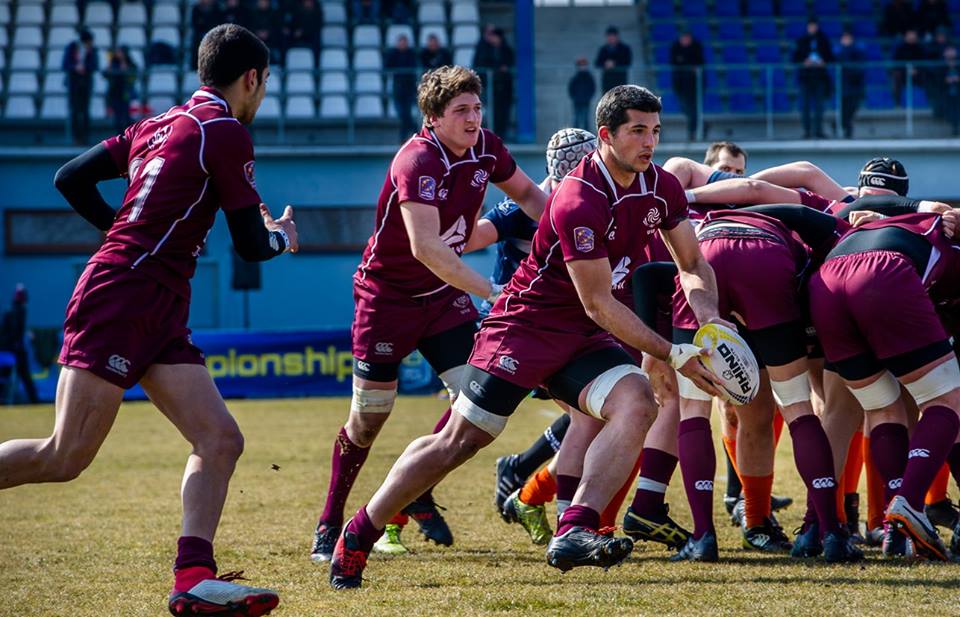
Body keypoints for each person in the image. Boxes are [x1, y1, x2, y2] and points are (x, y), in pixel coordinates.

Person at [329, 85, 726, 589]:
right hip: (526, 327)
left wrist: (709, 321)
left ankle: (576, 527)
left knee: (637, 402)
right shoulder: (579, 198)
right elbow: (599, 302)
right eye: (637, 132)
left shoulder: (661, 186)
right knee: (460, 441)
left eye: (655, 131)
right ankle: (360, 529)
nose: (649, 143)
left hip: (583, 333)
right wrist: (674, 352)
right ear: (606, 136)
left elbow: (692, 263)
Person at [0, 24, 298, 616]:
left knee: (220, 439)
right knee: (64, 456)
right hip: (124, 296)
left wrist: (119, 231)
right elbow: (248, 245)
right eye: (263, 85)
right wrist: (279, 238)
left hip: (153, 299)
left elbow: (69, 177)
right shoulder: (227, 132)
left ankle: (192, 579)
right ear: (253, 79)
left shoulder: (156, 123)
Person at [308, 65, 547, 564]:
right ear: (434, 118)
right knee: (368, 420)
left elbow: (527, 195)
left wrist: (563, 229)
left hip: (443, 300)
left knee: (475, 411)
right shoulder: (416, 159)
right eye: (461, 111)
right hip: (387, 298)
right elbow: (425, 248)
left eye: (477, 108)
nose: (473, 119)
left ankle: (412, 487)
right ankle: (329, 523)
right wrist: (491, 289)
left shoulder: (487, 147)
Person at [808, 163, 960, 561]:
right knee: (947, 402)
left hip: (824, 284)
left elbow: (790, 188)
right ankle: (908, 503)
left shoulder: (853, 218)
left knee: (882, 408)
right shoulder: (938, 226)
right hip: (883, 275)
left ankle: (894, 532)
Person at [792, 19, 834, 139]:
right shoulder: (802, 40)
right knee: (805, 107)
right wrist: (804, 61)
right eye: (810, 26)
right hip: (806, 78)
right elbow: (795, 58)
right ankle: (807, 131)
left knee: (819, 107)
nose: (812, 28)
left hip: (820, 78)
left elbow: (831, 57)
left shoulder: (823, 40)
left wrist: (823, 61)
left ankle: (819, 131)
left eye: (814, 26)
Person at [0, 285, 39, 404]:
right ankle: (34, 400)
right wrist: (17, 345)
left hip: (7, 349)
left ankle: (3, 398)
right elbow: (14, 330)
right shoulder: (20, 310)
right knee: (24, 375)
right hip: (15, 349)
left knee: (5, 376)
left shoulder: (10, 309)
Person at [473, 27, 515, 138]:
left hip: (505, 86)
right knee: (491, 109)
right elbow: (480, 62)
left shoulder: (506, 50)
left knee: (504, 110)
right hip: (490, 85)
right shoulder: (485, 49)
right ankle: (490, 133)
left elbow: (510, 63)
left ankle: (502, 133)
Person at [63, 29, 99, 145]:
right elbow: (65, 64)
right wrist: (75, 67)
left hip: (86, 85)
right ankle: (75, 138)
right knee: (74, 111)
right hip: (73, 84)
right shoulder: (71, 47)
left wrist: (85, 68)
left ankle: (85, 137)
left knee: (85, 112)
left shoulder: (92, 50)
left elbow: (94, 65)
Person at [669, 29, 705, 141]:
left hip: (694, 85)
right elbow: (674, 63)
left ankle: (693, 131)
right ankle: (699, 127)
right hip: (680, 84)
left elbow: (700, 63)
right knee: (685, 108)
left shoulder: (696, 46)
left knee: (693, 109)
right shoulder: (675, 47)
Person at [385, 34, 418, 141]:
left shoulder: (411, 54)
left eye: (405, 42)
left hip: (409, 89)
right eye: (401, 42)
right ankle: (415, 131)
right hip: (398, 89)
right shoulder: (393, 54)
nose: (403, 44)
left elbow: (415, 67)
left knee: (406, 113)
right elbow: (387, 66)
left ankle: (404, 138)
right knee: (403, 114)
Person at [836, 29, 866, 139]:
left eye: (847, 38)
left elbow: (859, 68)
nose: (845, 41)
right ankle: (845, 129)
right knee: (844, 110)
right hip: (844, 87)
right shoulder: (840, 53)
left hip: (855, 87)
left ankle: (847, 130)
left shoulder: (857, 52)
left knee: (852, 110)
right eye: (844, 38)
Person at [103, 46, 137, 135]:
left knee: (126, 117)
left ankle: (129, 136)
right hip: (115, 93)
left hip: (126, 93)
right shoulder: (113, 63)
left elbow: (133, 76)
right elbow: (105, 74)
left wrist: (125, 66)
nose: (119, 54)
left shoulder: (130, 63)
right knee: (118, 118)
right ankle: (120, 136)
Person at [892, 29, 926, 106]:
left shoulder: (920, 48)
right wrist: (906, 70)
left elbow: (923, 61)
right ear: (905, 37)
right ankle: (898, 102)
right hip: (903, 72)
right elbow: (896, 62)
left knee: (927, 74)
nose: (911, 39)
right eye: (909, 37)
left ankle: (926, 100)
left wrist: (916, 70)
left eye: (913, 37)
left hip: (917, 72)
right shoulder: (900, 48)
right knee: (896, 75)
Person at [243, 0, 283, 65]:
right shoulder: (252, 14)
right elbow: (249, 27)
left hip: (272, 41)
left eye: (265, 1)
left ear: (268, 2)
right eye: (261, 1)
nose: (262, 3)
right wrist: (257, 33)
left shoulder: (274, 14)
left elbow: (277, 27)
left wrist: (268, 33)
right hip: (255, 40)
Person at [595, 26, 632, 92]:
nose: (611, 38)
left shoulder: (625, 48)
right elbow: (597, 63)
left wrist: (614, 63)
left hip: (620, 81)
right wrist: (605, 64)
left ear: (617, 36)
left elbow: (628, 62)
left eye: (612, 36)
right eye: (609, 36)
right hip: (607, 82)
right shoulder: (603, 49)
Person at [191, 0, 223, 68]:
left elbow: (217, 24)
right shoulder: (196, 9)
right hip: (201, 38)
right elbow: (196, 25)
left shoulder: (218, 9)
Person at [568, 57, 596, 131]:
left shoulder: (589, 77)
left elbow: (592, 88)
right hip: (577, 101)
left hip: (586, 101)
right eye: (581, 65)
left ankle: (587, 137)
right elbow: (571, 89)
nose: (582, 67)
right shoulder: (575, 78)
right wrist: (575, 97)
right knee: (576, 119)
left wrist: (588, 97)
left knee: (586, 119)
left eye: (584, 65)